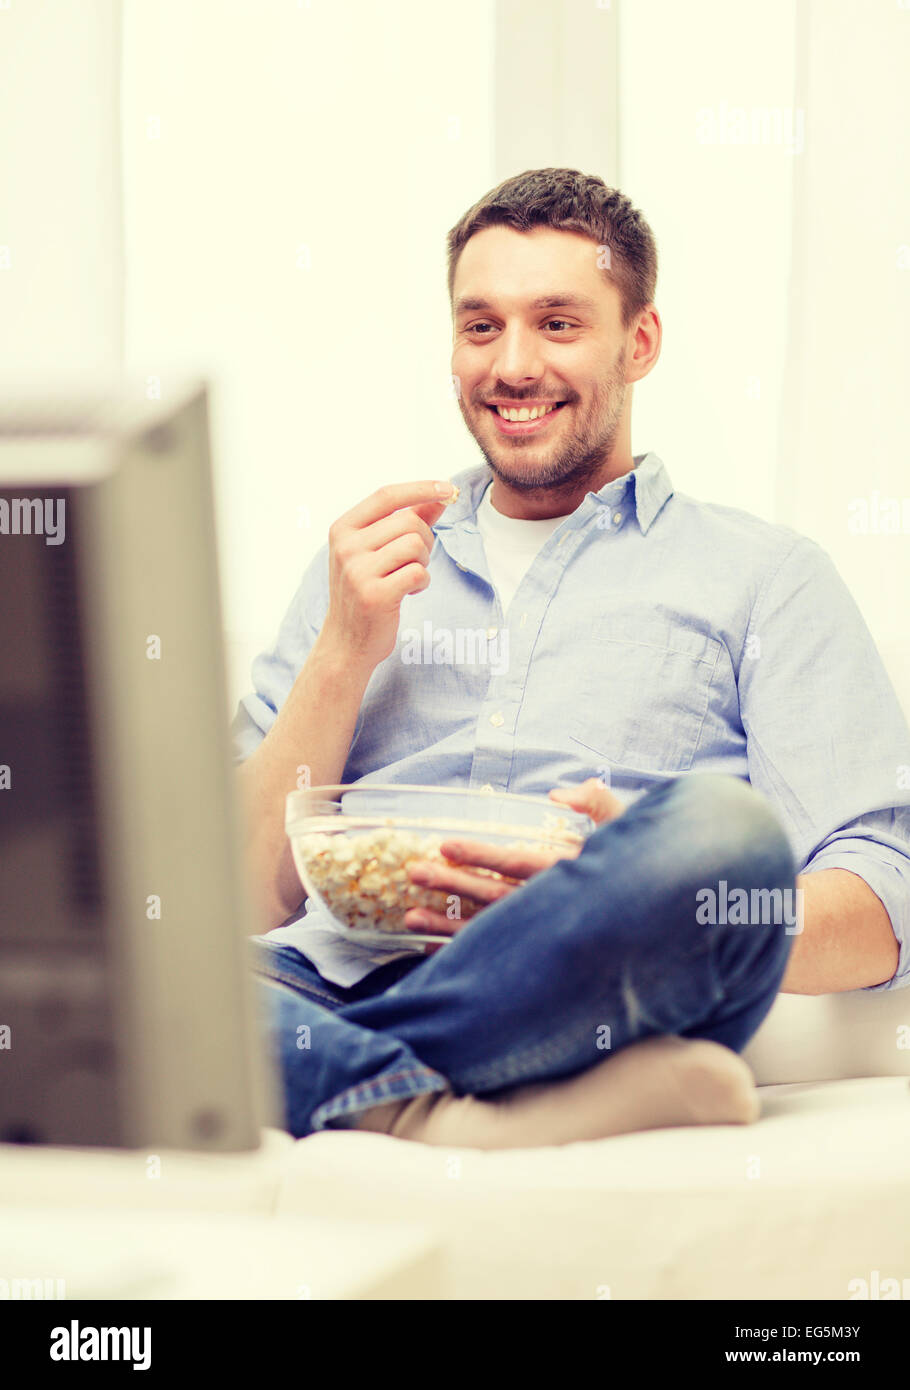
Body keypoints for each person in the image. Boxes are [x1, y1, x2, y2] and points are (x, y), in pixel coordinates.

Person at [232, 168, 910, 1148]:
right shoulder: (361, 565)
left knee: (722, 831)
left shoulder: (765, 577)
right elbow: (240, 895)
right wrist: (343, 652)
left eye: (556, 323)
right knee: (114, 968)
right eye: (480, 326)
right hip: (321, 972)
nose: (511, 364)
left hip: (592, 984)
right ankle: (428, 1107)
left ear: (639, 343)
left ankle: (350, 1078)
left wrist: (643, 879)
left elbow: (886, 901)